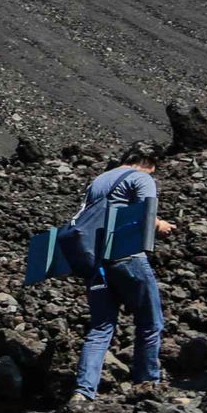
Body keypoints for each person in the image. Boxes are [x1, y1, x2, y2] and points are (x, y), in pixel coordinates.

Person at [72, 148, 175, 396]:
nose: (153, 174)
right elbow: (145, 214)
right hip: (127, 257)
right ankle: (147, 383)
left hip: (96, 262)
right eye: (154, 169)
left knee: (101, 328)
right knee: (150, 321)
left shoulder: (98, 181)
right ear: (147, 163)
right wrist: (160, 225)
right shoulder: (140, 177)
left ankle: (83, 392)